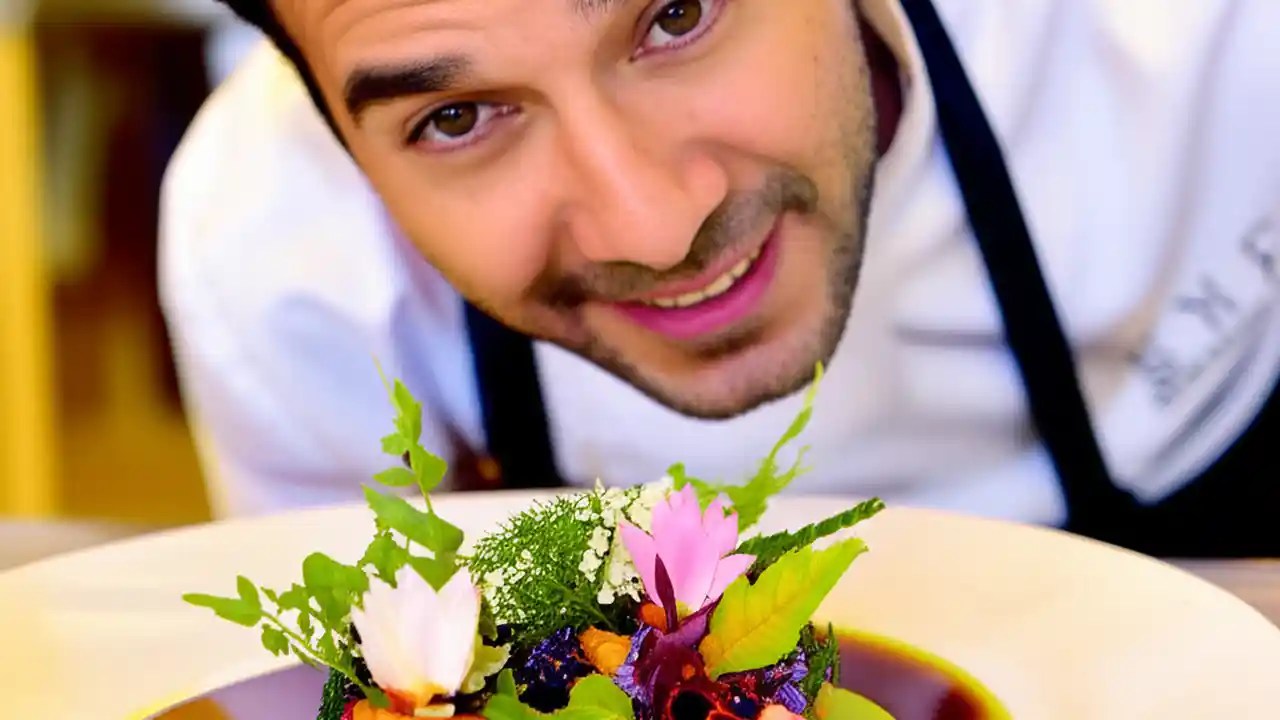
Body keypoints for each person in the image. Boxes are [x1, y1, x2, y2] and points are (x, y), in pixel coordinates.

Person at [160, 0, 1280, 556]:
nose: (651, 228)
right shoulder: (275, 261)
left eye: (677, 13)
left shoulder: (1212, 40)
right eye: (454, 118)